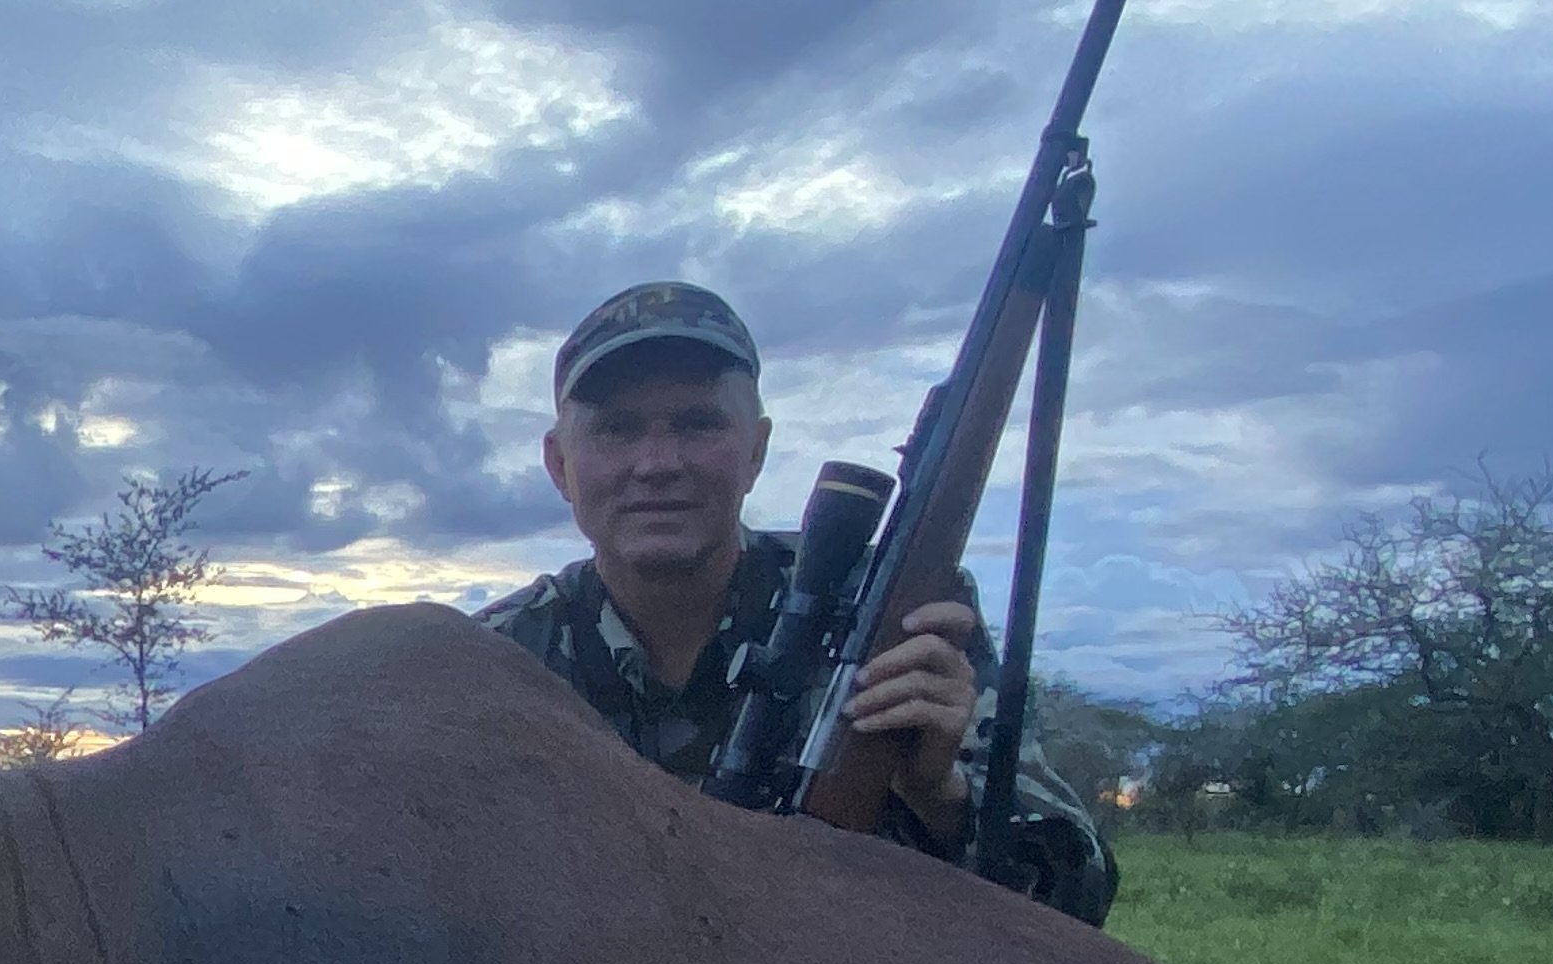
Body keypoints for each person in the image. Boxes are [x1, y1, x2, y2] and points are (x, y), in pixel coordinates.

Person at [478, 281, 1118, 924]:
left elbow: (1079, 898)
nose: (657, 463)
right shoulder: (490, 661)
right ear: (559, 464)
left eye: (698, 423)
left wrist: (941, 795)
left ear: (756, 451)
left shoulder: (890, 616)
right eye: (617, 430)